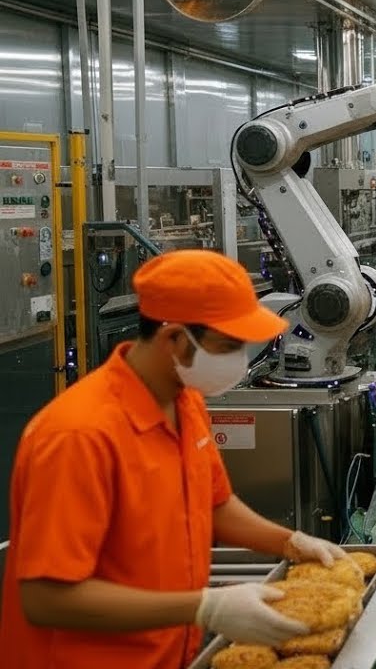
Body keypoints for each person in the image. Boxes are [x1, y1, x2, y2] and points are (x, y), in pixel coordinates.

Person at [0, 250, 348, 668]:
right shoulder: (78, 435)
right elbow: (46, 598)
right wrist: (205, 608)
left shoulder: (184, 403)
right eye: (228, 345)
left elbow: (213, 503)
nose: (239, 359)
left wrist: (290, 543)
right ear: (176, 340)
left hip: (163, 654)